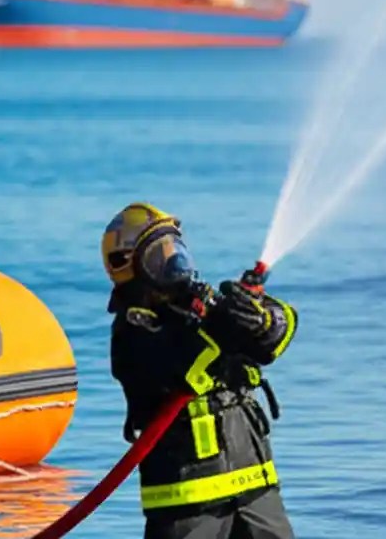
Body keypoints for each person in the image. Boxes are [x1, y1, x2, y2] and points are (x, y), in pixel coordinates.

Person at [102, 202, 300, 539]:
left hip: (256, 487)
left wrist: (263, 319)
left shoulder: (204, 305)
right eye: (159, 255)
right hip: (188, 503)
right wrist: (221, 329)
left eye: (174, 249)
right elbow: (180, 369)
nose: (173, 262)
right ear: (131, 265)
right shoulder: (133, 334)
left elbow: (277, 336)